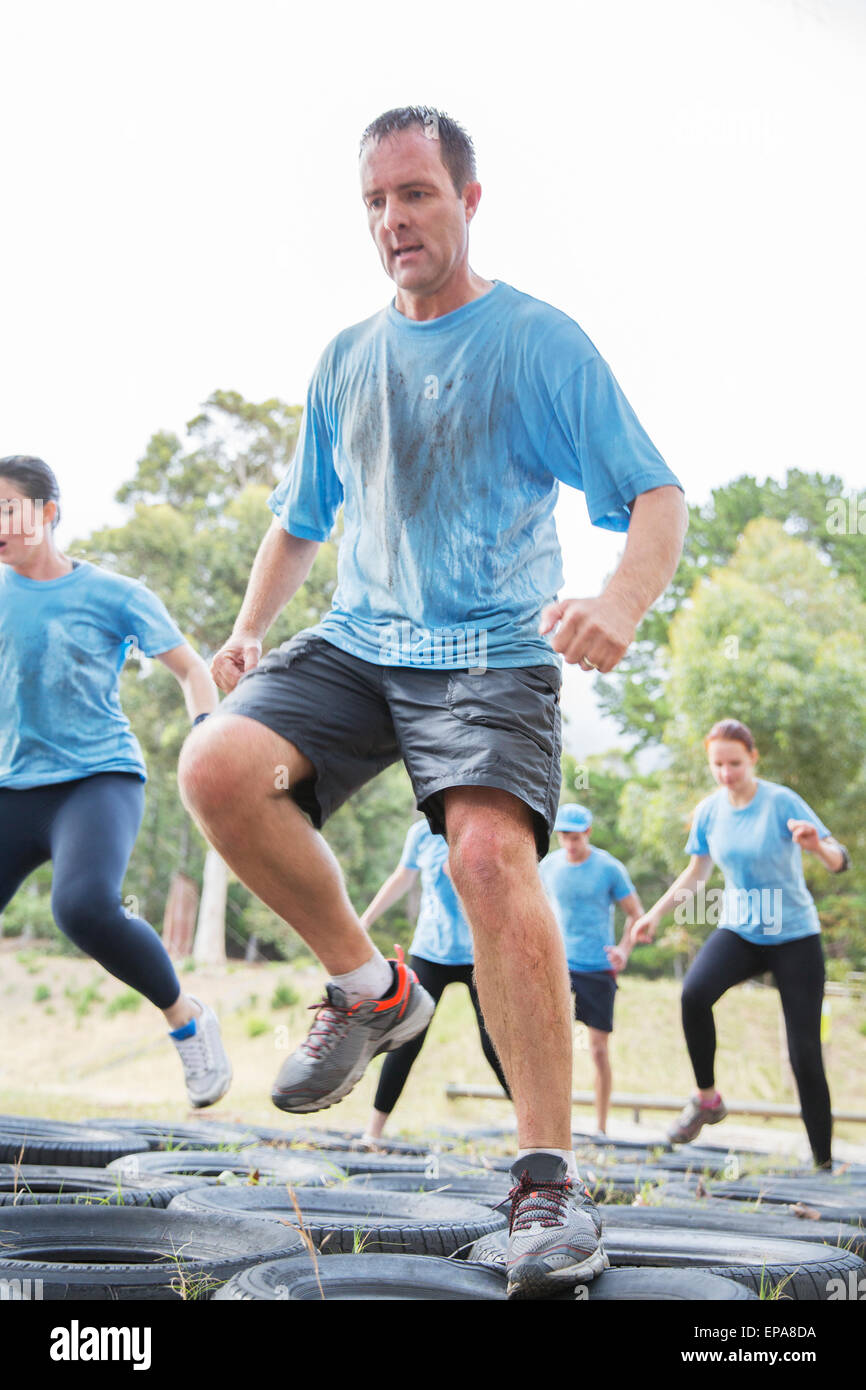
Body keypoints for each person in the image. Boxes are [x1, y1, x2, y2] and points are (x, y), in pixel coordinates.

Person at [177, 105, 687, 1297]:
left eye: (415, 193)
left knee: (486, 858)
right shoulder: (345, 358)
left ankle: (548, 1190)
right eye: (374, 201)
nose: (394, 219)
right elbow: (301, 518)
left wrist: (617, 597)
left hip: (489, 650)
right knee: (212, 764)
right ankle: (372, 987)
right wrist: (252, 626)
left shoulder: (534, 342)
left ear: (467, 198)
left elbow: (655, 495)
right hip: (360, 639)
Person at [0, 456, 232, 1107]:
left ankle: (187, 1018)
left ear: (47, 512)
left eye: (7, 508)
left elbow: (191, 671)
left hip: (96, 781)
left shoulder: (114, 594)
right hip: (12, 785)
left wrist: (205, 731)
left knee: (80, 906)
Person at [630, 718, 849, 1168]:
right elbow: (697, 873)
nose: (727, 773)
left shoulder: (780, 801)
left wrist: (816, 846)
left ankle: (823, 1162)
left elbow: (839, 859)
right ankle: (707, 1100)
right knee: (693, 994)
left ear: (752, 758)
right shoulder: (710, 810)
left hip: (794, 935)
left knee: (803, 1051)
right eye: (718, 764)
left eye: (735, 763)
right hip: (742, 931)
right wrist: (651, 916)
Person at [360, 817, 511, 1144]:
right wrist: (365, 920)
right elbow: (403, 877)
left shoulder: (483, 829)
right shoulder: (420, 833)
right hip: (431, 950)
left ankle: (538, 1135)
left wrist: (464, 879)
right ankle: (373, 1133)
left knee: (496, 1043)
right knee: (407, 1038)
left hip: (480, 951)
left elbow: (505, 890)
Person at [540, 803, 643, 1136]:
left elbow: (635, 914)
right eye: (564, 837)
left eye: (576, 837)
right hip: (559, 964)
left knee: (597, 1050)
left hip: (597, 968)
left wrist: (624, 950)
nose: (570, 844)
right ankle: (555, 1127)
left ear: (588, 833)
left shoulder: (609, 869)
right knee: (551, 1046)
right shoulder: (548, 867)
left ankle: (600, 1128)